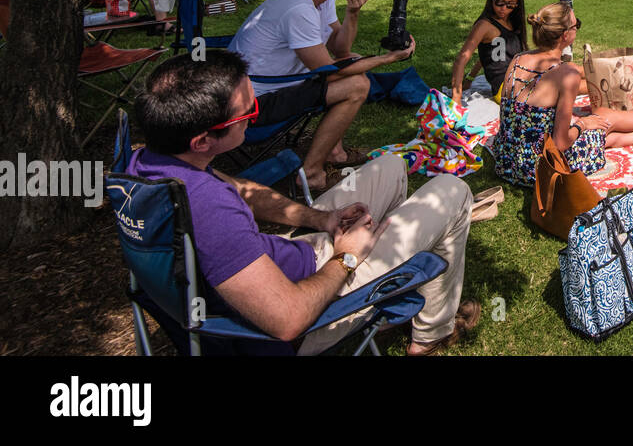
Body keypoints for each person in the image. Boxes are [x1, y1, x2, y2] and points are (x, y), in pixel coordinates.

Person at [130, 52, 479, 356]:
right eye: (248, 113)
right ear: (203, 140)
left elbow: (244, 192)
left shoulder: (149, 164)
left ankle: (396, 273)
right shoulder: (209, 210)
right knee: (452, 189)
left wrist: (322, 219)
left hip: (292, 262)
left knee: (392, 166)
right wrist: (347, 257)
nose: (256, 113)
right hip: (308, 309)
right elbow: (288, 321)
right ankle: (431, 335)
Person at [227, 0, 415, 191]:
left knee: (354, 63)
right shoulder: (299, 8)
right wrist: (387, 59)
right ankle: (312, 173)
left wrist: (353, 13)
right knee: (357, 84)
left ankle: (335, 153)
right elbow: (332, 73)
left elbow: (340, 49)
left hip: (263, 85)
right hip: (250, 104)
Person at [491, 1, 633, 187]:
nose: (577, 28)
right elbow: (560, 143)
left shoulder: (518, 59)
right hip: (540, 169)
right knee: (604, 121)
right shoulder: (567, 75)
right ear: (566, 35)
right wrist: (582, 124)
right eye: (577, 25)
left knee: (601, 130)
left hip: (507, 160)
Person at [450, 0, 526, 105]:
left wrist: (470, 77)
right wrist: (456, 99)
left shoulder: (513, 21)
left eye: (511, 5)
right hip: (505, 89)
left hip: (520, 78)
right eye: (499, 2)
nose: (504, 9)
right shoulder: (484, 25)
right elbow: (460, 60)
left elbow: (490, 54)